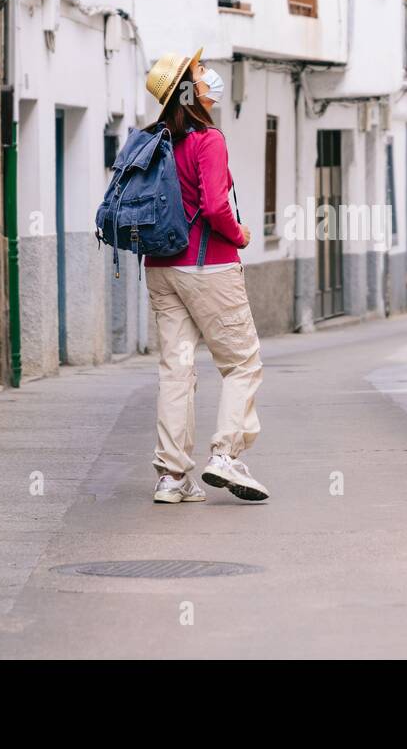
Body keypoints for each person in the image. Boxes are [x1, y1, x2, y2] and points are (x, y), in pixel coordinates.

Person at [141, 48, 270, 504]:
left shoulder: (153, 140)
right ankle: (227, 455)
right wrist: (240, 235)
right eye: (199, 73)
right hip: (208, 266)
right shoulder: (207, 140)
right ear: (190, 90)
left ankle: (172, 476)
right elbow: (216, 207)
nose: (208, 76)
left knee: (176, 370)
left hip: (161, 269)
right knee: (241, 363)